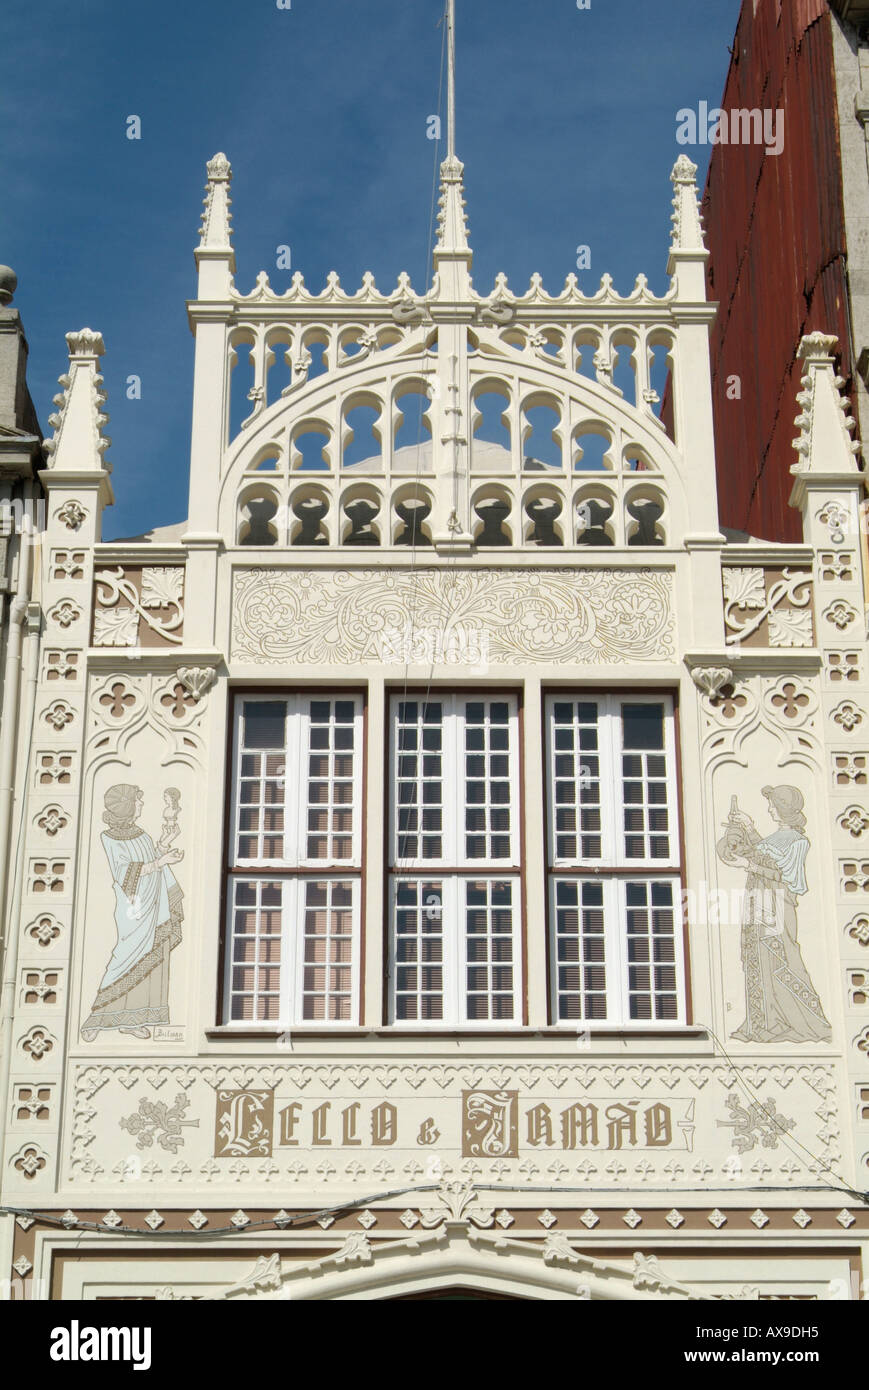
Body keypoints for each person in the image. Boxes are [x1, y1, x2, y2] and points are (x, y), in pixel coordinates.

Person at [716, 784, 831, 1043]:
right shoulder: (775, 837)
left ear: (784, 809)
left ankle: (802, 1021)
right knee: (759, 959)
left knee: (783, 962)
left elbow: (784, 877)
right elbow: (761, 852)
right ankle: (763, 1023)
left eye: (773, 804)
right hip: (758, 907)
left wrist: (750, 865)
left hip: (778, 909)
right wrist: (747, 827)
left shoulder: (799, 842)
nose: (770, 809)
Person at [81, 784, 183, 1041]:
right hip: (134, 909)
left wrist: (165, 845)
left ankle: (133, 1018)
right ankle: (97, 1018)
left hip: (154, 905)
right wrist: (161, 862)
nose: (142, 805)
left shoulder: (142, 834)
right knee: (124, 958)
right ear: (127, 807)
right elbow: (125, 874)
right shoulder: (109, 838)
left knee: (152, 958)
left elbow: (150, 857)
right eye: (138, 801)